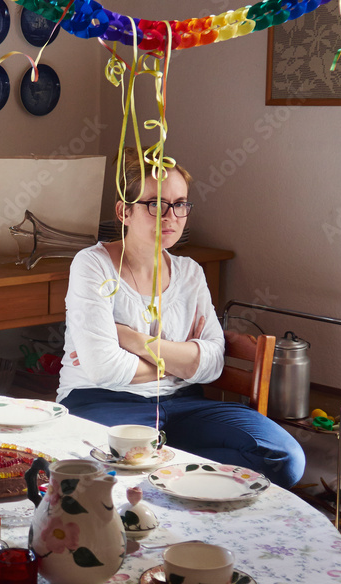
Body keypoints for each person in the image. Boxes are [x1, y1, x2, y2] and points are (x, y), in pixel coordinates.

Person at [57, 150, 305, 488]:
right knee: (108, 472)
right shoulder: (92, 264)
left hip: (185, 402)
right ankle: (174, 478)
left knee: (284, 459)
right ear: (124, 211)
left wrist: (132, 340)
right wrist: (182, 360)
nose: (171, 217)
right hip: (103, 399)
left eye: (180, 204)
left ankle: (169, 471)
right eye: (155, 205)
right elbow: (104, 369)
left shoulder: (190, 272)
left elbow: (212, 363)